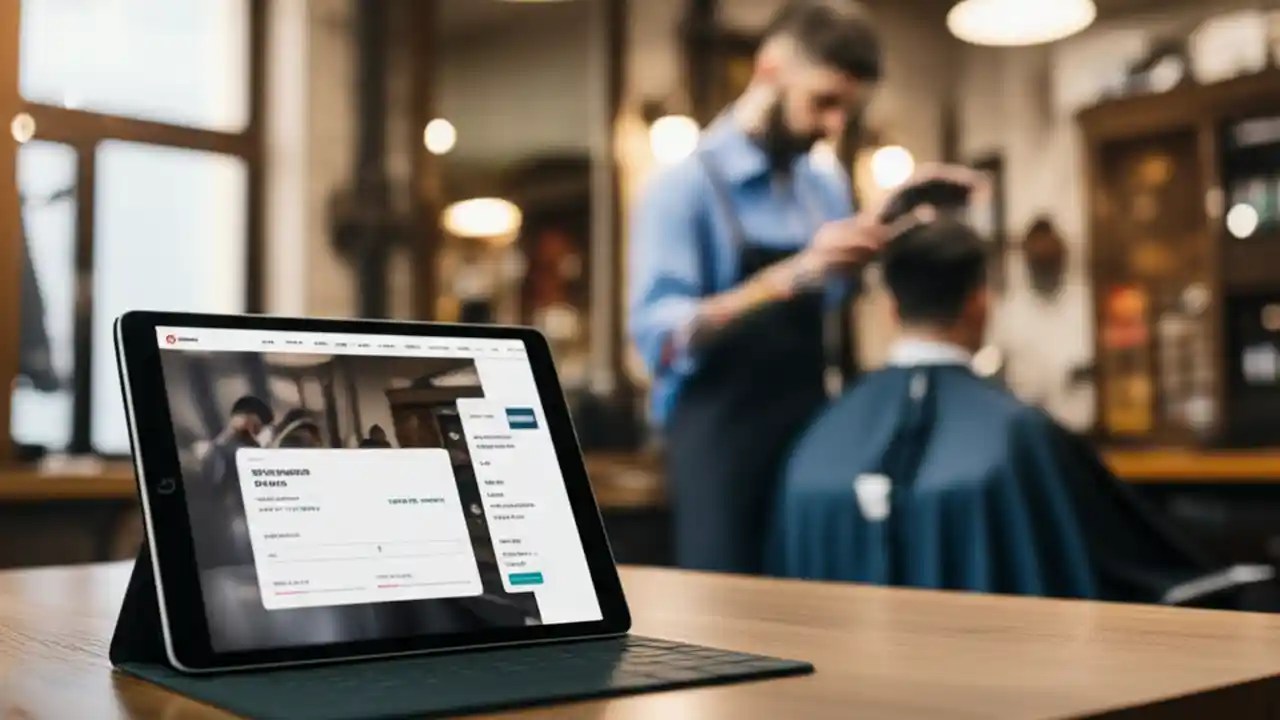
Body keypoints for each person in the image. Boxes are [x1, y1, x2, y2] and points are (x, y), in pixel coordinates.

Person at [628, 0, 976, 573]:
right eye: (824, 102)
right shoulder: (683, 188)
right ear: (770, 71)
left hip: (813, 427)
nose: (834, 126)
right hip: (722, 443)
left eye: (848, 110)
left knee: (818, 599)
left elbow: (833, 298)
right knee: (728, 613)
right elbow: (660, 341)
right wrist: (791, 275)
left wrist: (896, 222)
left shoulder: (823, 182)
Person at [771, 218, 1236, 604]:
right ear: (979, 304)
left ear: (890, 309)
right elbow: (1135, 572)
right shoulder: (1020, 438)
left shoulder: (816, 442)